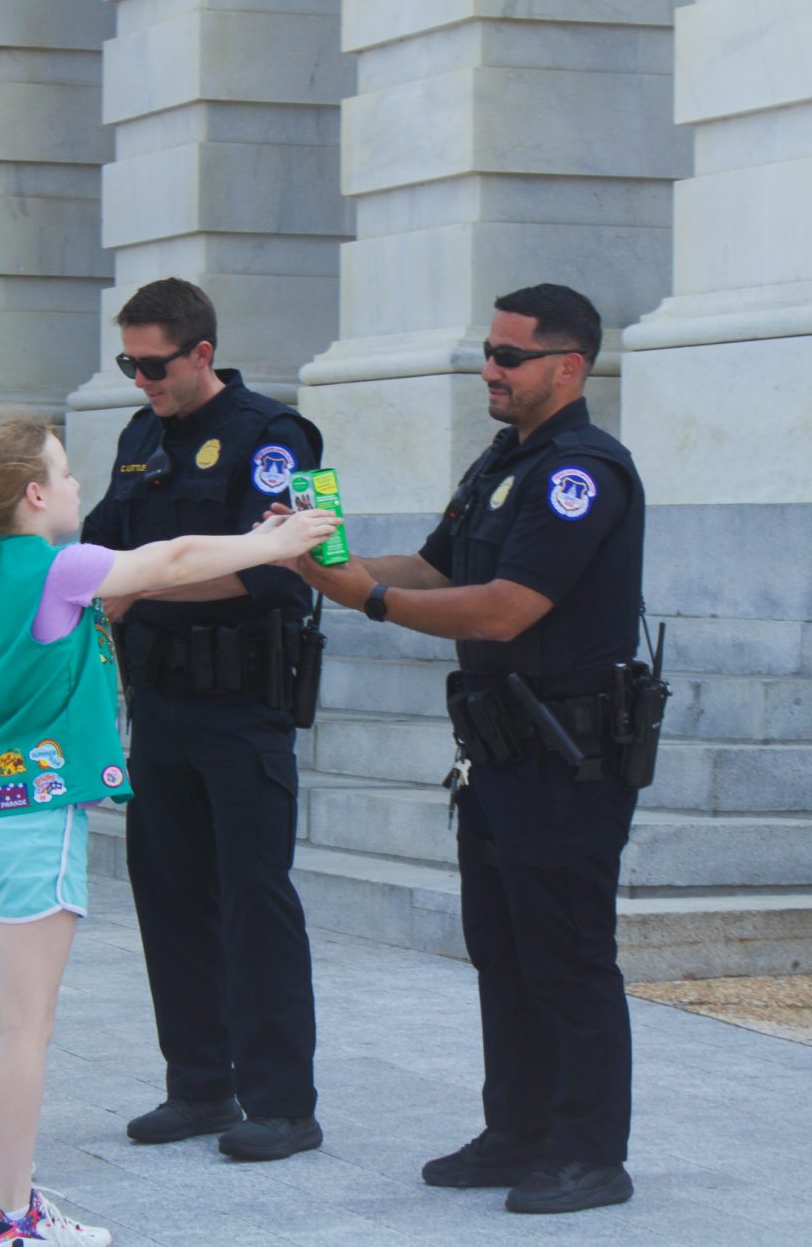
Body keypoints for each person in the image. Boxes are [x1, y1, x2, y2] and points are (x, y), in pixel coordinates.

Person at [0, 411, 340, 1246]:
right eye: (67, 471)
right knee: (25, 1032)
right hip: (33, 824)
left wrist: (256, 540)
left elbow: (142, 581)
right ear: (35, 492)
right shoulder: (59, 565)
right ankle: (11, 1217)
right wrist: (278, 544)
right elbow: (175, 559)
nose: (84, 484)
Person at [288, 284, 644, 1215]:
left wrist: (367, 600)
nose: (490, 369)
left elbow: (505, 606)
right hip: (499, 744)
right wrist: (322, 562)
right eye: (489, 351)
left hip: (566, 750)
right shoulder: (503, 461)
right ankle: (520, 1129)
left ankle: (589, 1151)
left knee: (566, 952)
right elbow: (441, 567)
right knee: (503, 945)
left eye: (510, 356)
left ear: (567, 367)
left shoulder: (581, 473)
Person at [79, 278, 326, 1162]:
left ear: (201, 354)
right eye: (128, 364)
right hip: (164, 701)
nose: (140, 380)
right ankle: (199, 1087)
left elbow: (275, 570)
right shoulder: (141, 436)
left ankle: (283, 1104)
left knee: (255, 901)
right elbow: (104, 542)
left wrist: (141, 586)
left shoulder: (272, 438)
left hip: (242, 704)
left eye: (152, 365)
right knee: (169, 896)